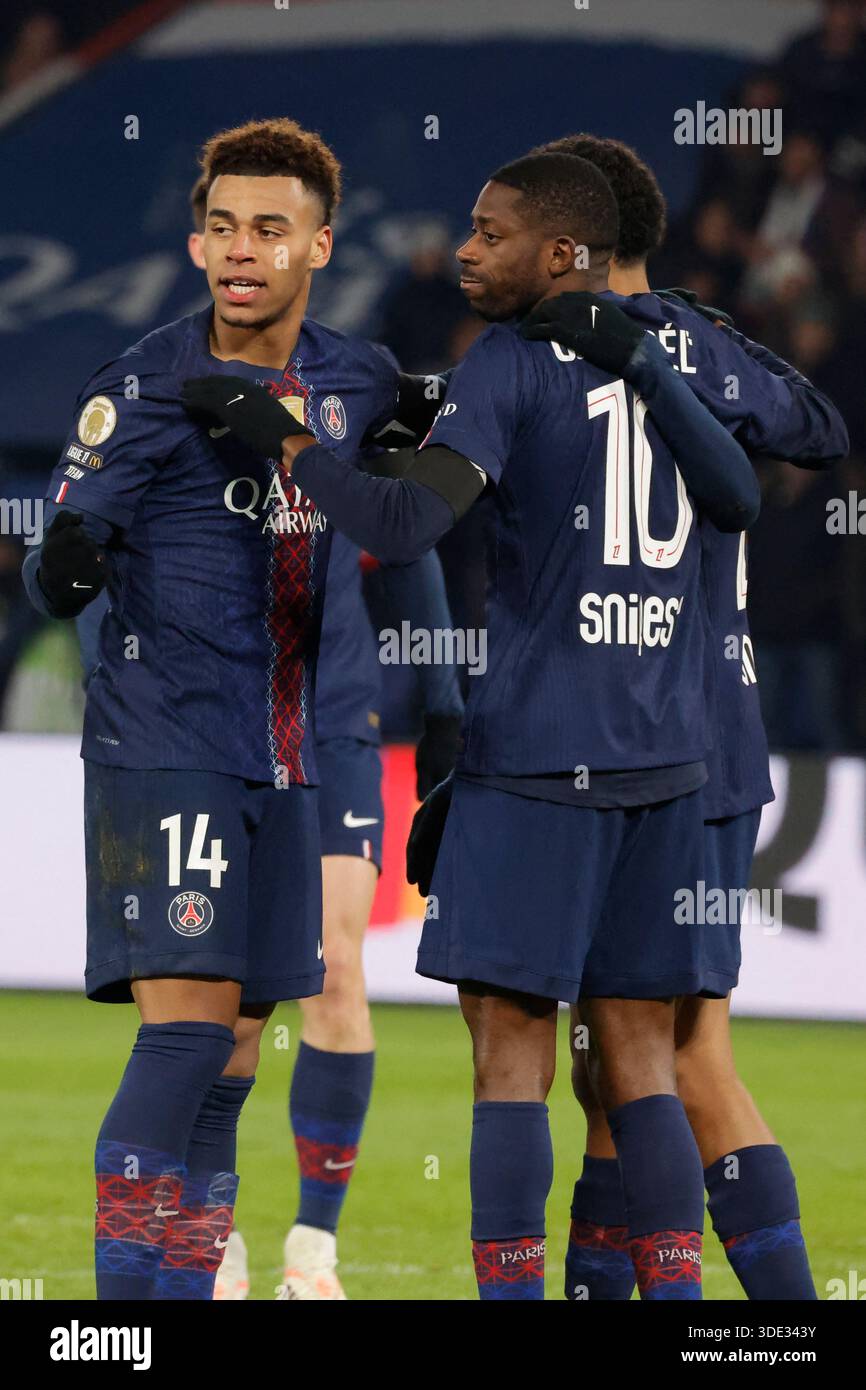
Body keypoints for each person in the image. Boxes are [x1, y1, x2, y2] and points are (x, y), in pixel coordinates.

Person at [181, 151, 764, 1299]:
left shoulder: (509, 360)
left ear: (558, 254)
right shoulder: (683, 360)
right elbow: (746, 490)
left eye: (489, 234)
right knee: (641, 1057)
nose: (463, 250)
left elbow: (400, 530)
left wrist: (288, 440)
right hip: (666, 758)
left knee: (512, 1055)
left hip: (540, 753)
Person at [20, 115, 438, 1301]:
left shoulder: (358, 382)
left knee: (239, 1057)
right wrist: (74, 553)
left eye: (269, 227)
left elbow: (411, 515)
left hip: (291, 762)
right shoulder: (146, 381)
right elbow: (54, 574)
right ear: (196, 245)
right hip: (169, 746)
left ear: (319, 245)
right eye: (220, 227)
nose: (240, 249)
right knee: (188, 1037)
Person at [518, 133, 848, 1299]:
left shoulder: (631, 346)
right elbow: (813, 422)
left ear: (575, 235)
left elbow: (816, 430)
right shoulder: (604, 348)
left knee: (677, 1048)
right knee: (609, 1059)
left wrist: (670, 343)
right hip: (635, 740)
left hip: (677, 741)